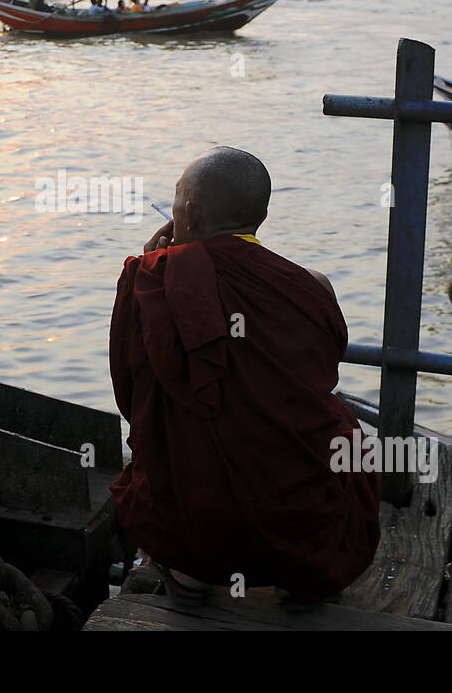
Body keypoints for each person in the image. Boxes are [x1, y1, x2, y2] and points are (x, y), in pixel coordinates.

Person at [109, 147, 380, 601]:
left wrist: (159, 274)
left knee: (169, 440)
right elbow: (320, 378)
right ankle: (303, 572)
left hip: (195, 528)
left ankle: (190, 575)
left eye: (176, 198)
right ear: (262, 214)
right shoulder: (312, 285)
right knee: (347, 431)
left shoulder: (151, 279)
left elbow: (132, 395)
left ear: (189, 213)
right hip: (301, 520)